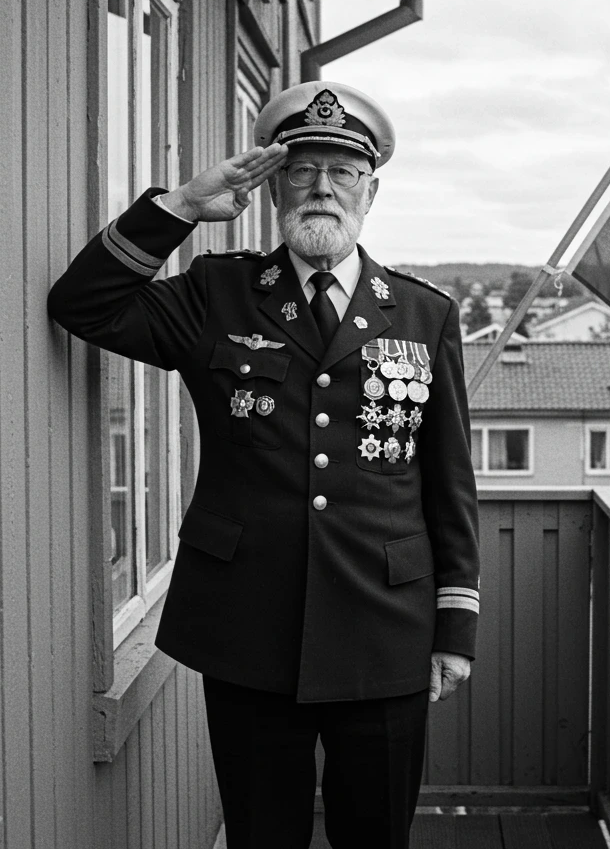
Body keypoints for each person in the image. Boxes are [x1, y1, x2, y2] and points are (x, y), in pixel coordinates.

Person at [47, 81, 480, 849]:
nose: (322, 187)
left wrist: (454, 628)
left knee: (375, 837)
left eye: (342, 171)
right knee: (261, 837)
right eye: (302, 168)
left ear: (370, 192)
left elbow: (449, 483)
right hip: (247, 629)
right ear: (273, 185)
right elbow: (84, 305)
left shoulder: (423, 313)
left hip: (386, 632)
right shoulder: (220, 293)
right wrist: (181, 206)